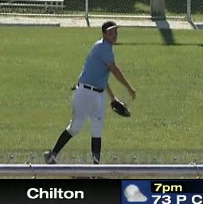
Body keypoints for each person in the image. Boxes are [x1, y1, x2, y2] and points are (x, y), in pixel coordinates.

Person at [44, 21, 136, 164]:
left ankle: (95, 166)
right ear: (104, 34)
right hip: (85, 93)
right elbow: (114, 70)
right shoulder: (102, 47)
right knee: (75, 127)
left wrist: (112, 98)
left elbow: (101, 78)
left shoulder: (106, 48)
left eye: (116, 32)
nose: (115, 35)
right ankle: (51, 155)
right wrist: (128, 87)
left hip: (98, 95)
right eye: (111, 32)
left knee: (97, 129)